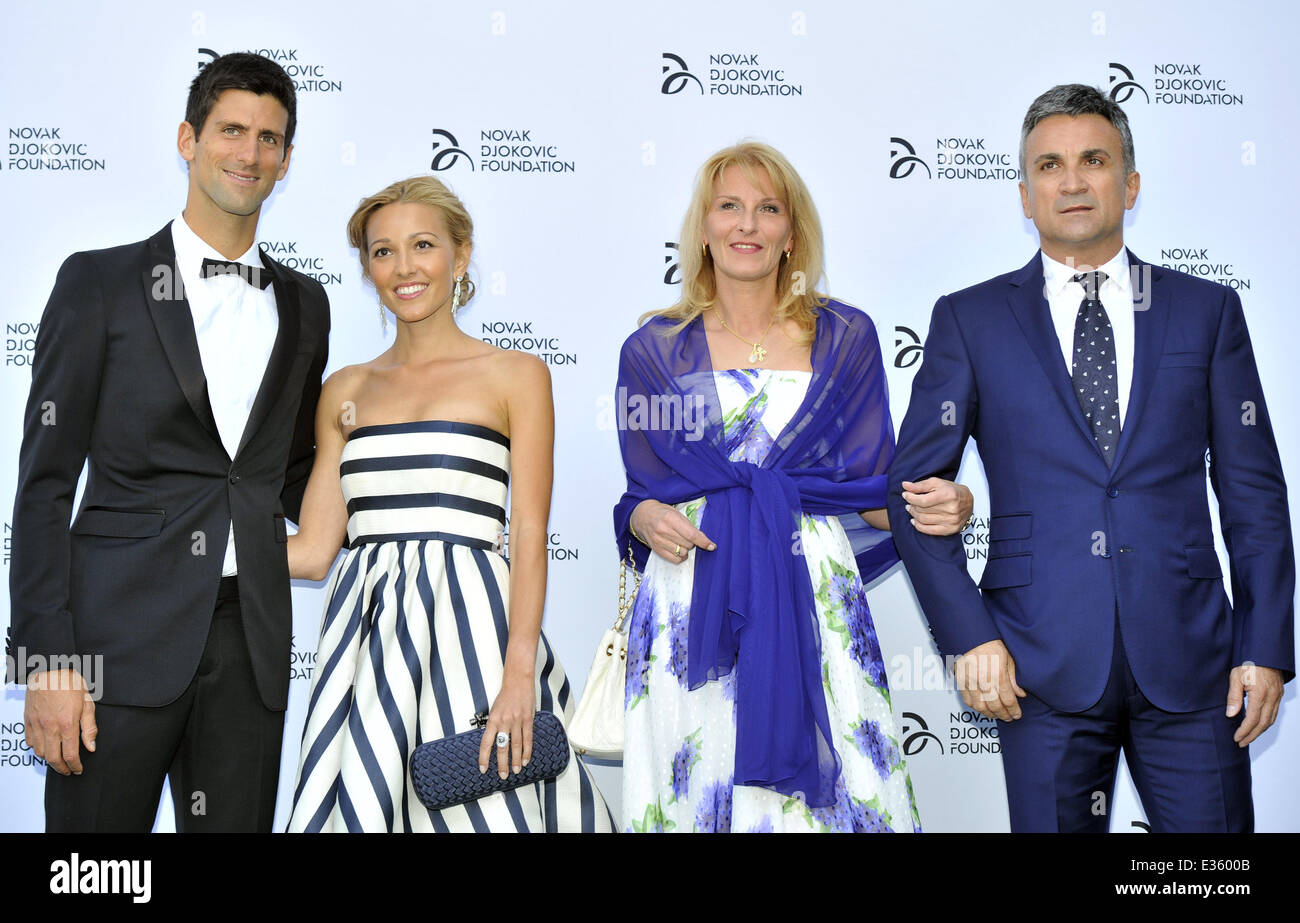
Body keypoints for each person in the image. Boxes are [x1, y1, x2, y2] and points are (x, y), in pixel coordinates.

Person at [888, 84, 1294, 833]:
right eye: (1049, 164)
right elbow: (911, 492)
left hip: (1197, 667)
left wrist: (1265, 645)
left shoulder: (1205, 312)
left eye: (1093, 160)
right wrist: (970, 634)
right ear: (1024, 193)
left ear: (1130, 184)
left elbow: (1255, 497)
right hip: (1036, 665)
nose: (1071, 181)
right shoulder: (969, 320)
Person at [7, 53, 330, 832]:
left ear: (287, 159)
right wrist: (49, 662)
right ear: (188, 138)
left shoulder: (306, 303)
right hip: (113, 641)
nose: (248, 153)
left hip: (248, 639)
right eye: (230, 131)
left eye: (269, 138)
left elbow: (292, 474)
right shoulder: (99, 283)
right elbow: (44, 486)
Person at [612, 142, 972, 833]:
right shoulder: (652, 347)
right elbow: (642, 494)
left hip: (814, 595)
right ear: (704, 227)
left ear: (791, 232)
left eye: (767, 208)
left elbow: (875, 487)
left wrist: (951, 503)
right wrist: (642, 518)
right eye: (729, 206)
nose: (747, 224)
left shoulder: (846, 337)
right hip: (692, 600)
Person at [285, 176, 612, 832]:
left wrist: (520, 669)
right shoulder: (344, 389)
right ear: (367, 267)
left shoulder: (515, 375)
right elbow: (315, 549)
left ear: (460, 257)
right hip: (365, 647)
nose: (403, 267)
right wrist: (190, 544)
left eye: (423, 245)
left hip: (478, 635)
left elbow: (528, 532)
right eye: (383, 251)